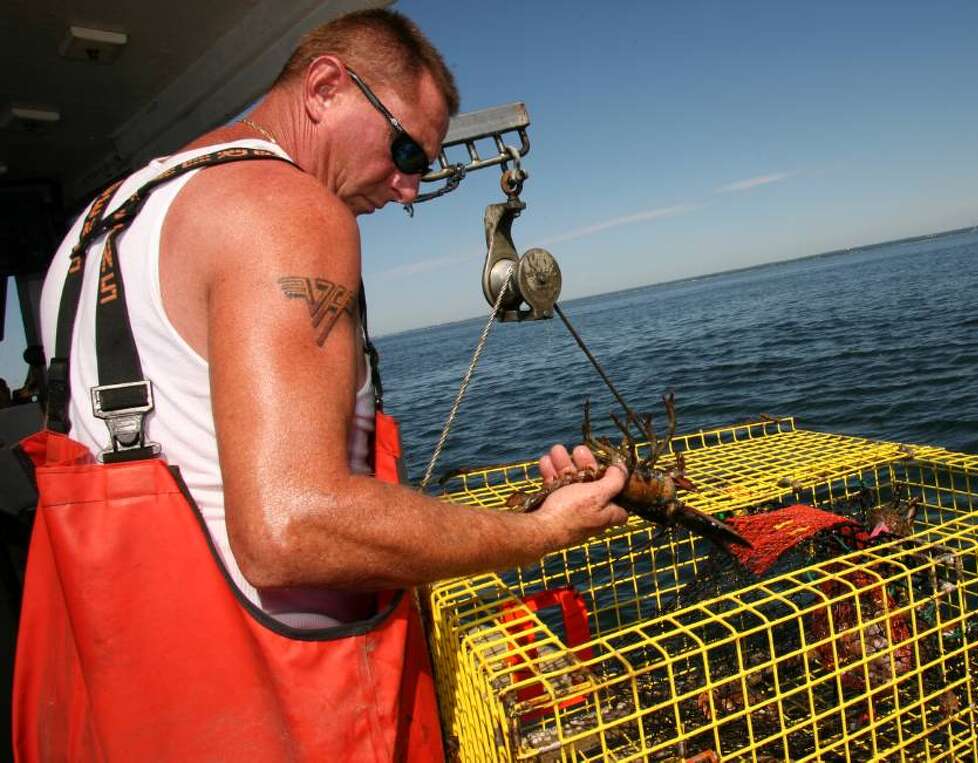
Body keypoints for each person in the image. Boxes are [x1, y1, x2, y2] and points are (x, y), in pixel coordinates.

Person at [20, 9, 628, 760]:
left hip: (116, 704)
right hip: (281, 710)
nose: (408, 189)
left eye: (425, 168)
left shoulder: (98, 228)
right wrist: (537, 534)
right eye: (406, 149)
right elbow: (293, 526)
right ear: (326, 87)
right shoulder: (288, 209)